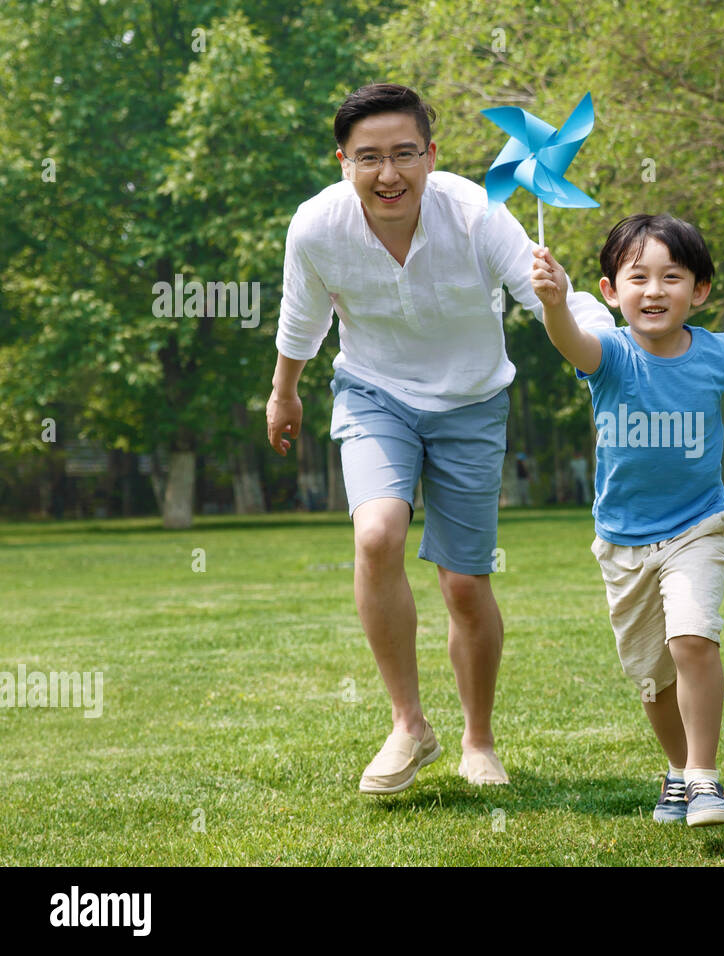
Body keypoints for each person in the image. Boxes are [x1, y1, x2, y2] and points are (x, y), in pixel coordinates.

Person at [265, 84, 613, 794]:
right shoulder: (316, 227)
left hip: (471, 402)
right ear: (342, 161)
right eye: (368, 158)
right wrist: (283, 391)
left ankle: (477, 741)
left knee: (463, 583)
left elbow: (547, 299)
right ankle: (408, 725)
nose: (387, 174)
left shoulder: (479, 213)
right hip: (373, 393)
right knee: (376, 535)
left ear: (432, 154)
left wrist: (581, 319)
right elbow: (303, 320)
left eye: (403, 154)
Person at [530, 213, 724, 826]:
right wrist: (556, 304)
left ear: (701, 290)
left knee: (692, 640)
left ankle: (705, 779)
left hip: (698, 527)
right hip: (622, 542)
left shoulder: (720, 353)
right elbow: (570, 343)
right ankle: (676, 768)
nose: (655, 290)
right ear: (611, 291)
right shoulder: (608, 354)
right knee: (651, 679)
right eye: (638, 277)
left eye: (672, 276)